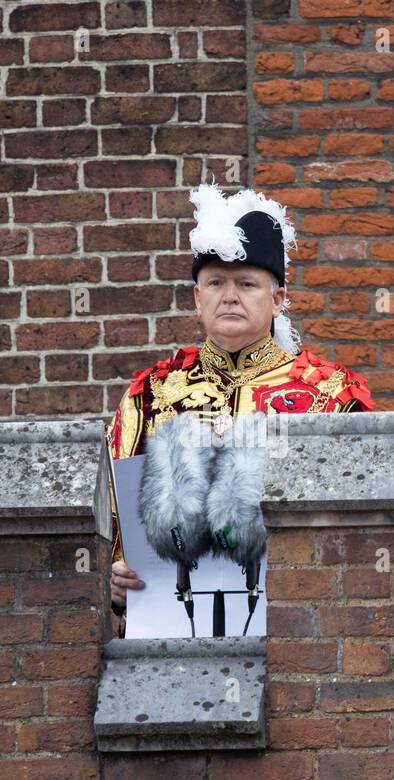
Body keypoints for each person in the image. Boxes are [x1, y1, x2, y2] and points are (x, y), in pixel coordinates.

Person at [107, 183, 373, 635]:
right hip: (167, 630)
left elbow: (362, 525)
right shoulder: (149, 394)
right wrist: (110, 574)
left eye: (247, 283)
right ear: (196, 298)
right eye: (215, 283)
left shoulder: (331, 394)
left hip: (304, 629)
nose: (229, 296)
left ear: (279, 298)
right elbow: (110, 520)